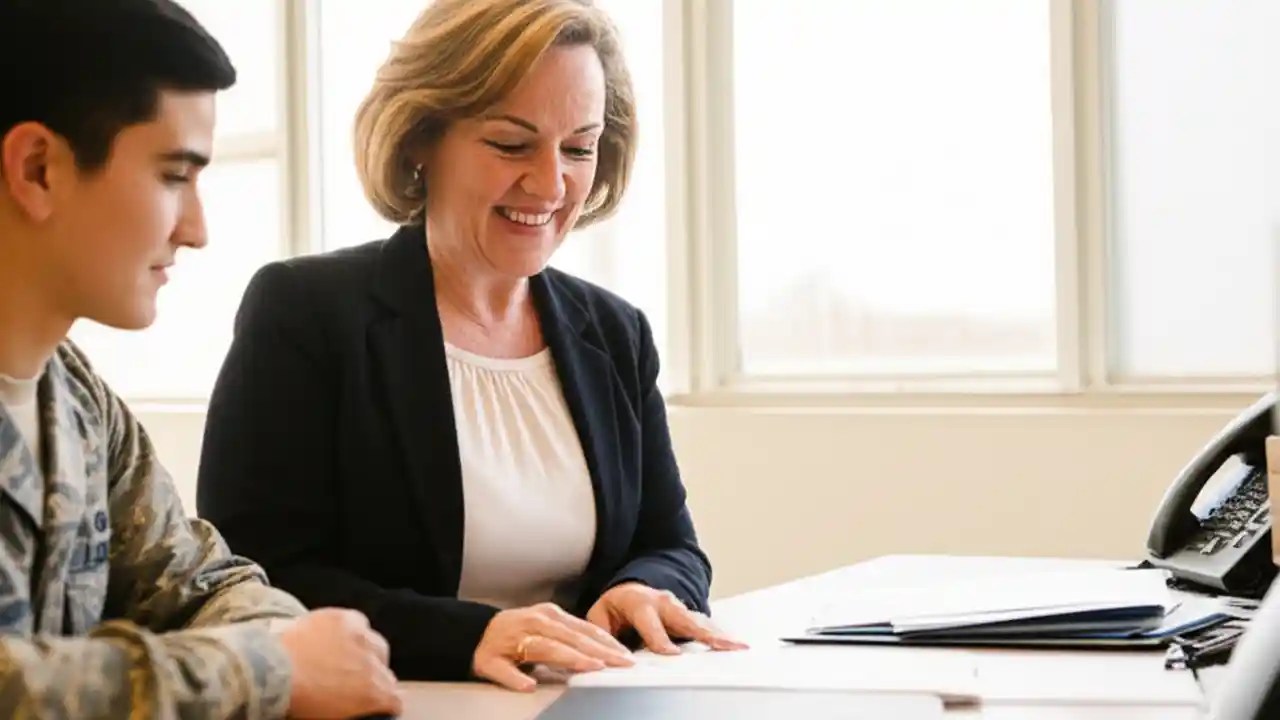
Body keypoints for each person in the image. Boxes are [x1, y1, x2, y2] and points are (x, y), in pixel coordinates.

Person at [196, 0, 746, 693]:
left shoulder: (615, 332)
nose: (551, 184)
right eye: (512, 144)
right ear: (419, 140)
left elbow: (670, 544)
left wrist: (640, 587)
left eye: (579, 148)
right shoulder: (306, 312)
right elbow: (251, 575)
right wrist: (469, 636)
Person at [0, 1, 402, 717]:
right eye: (173, 176)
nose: (197, 229)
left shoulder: (80, 404)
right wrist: (269, 669)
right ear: (38, 169)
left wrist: (289, 649)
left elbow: (204, 583)